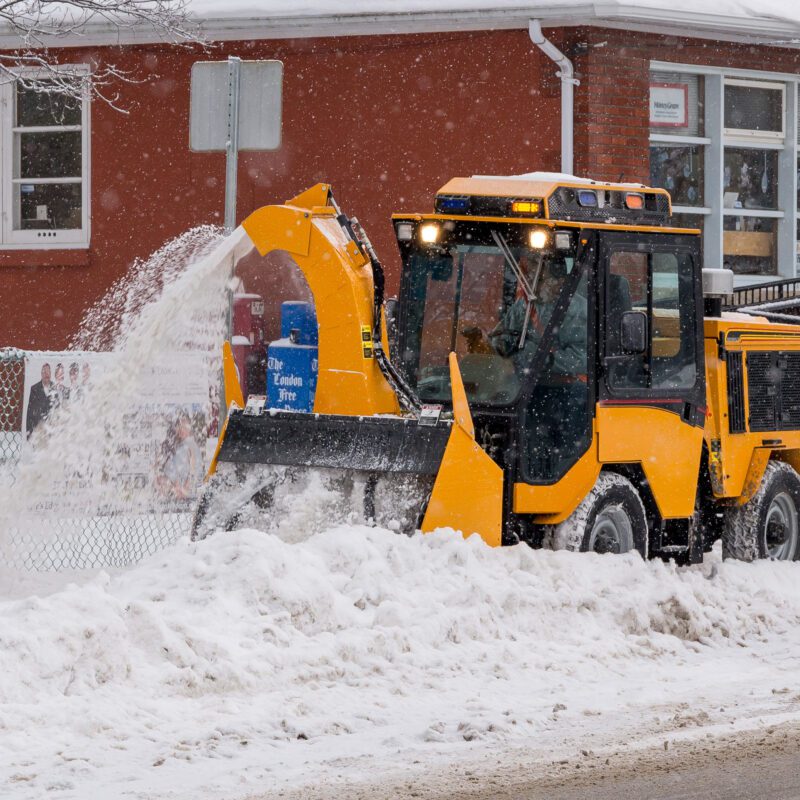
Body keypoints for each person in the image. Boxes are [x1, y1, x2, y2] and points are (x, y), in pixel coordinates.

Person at [26, 362, 55, 437]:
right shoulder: (34, 389)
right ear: (41, 374)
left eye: (48, 371)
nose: (46, 374)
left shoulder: (55, 388)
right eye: (44, 372)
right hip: (38, 432)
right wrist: (29, 433)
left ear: (51, 373)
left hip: (52, 433)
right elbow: (30, 412)